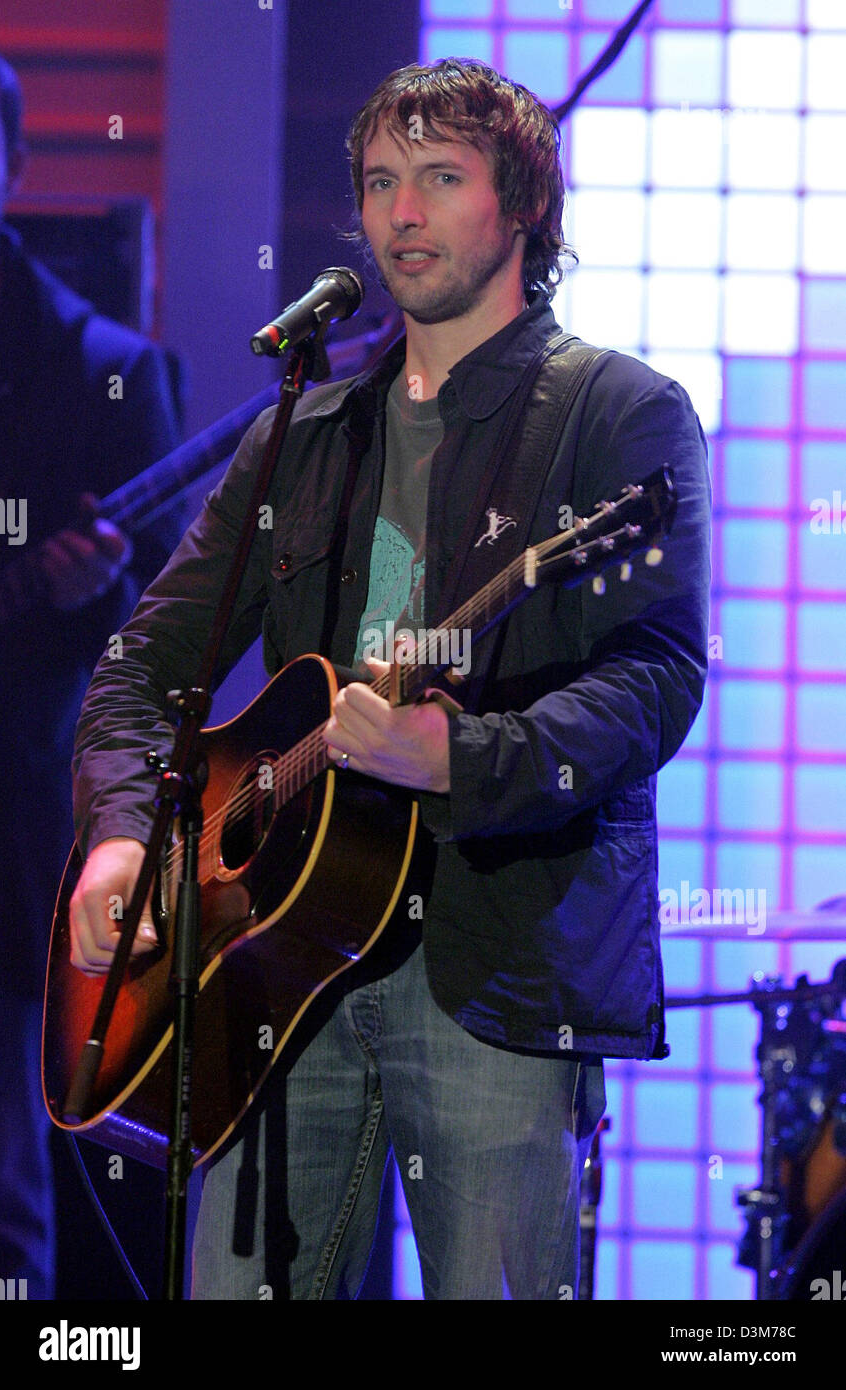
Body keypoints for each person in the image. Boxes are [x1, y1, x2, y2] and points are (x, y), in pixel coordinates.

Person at [68, 58, 711, 1300]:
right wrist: (116, 842)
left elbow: (653, 676)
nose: (400, 213)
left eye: (439, 178)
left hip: (494, 962)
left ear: (521, 202)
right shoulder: (302, 430)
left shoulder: (617, 413)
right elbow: (146, 663)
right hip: (273, 967)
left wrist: (456, 758)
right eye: (378, 182)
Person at [0, 43, 181, 1298]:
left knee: (3, 1174)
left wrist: (89, 589)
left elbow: (175, 635)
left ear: (7, 163)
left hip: (10, 825)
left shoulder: (106, 362)